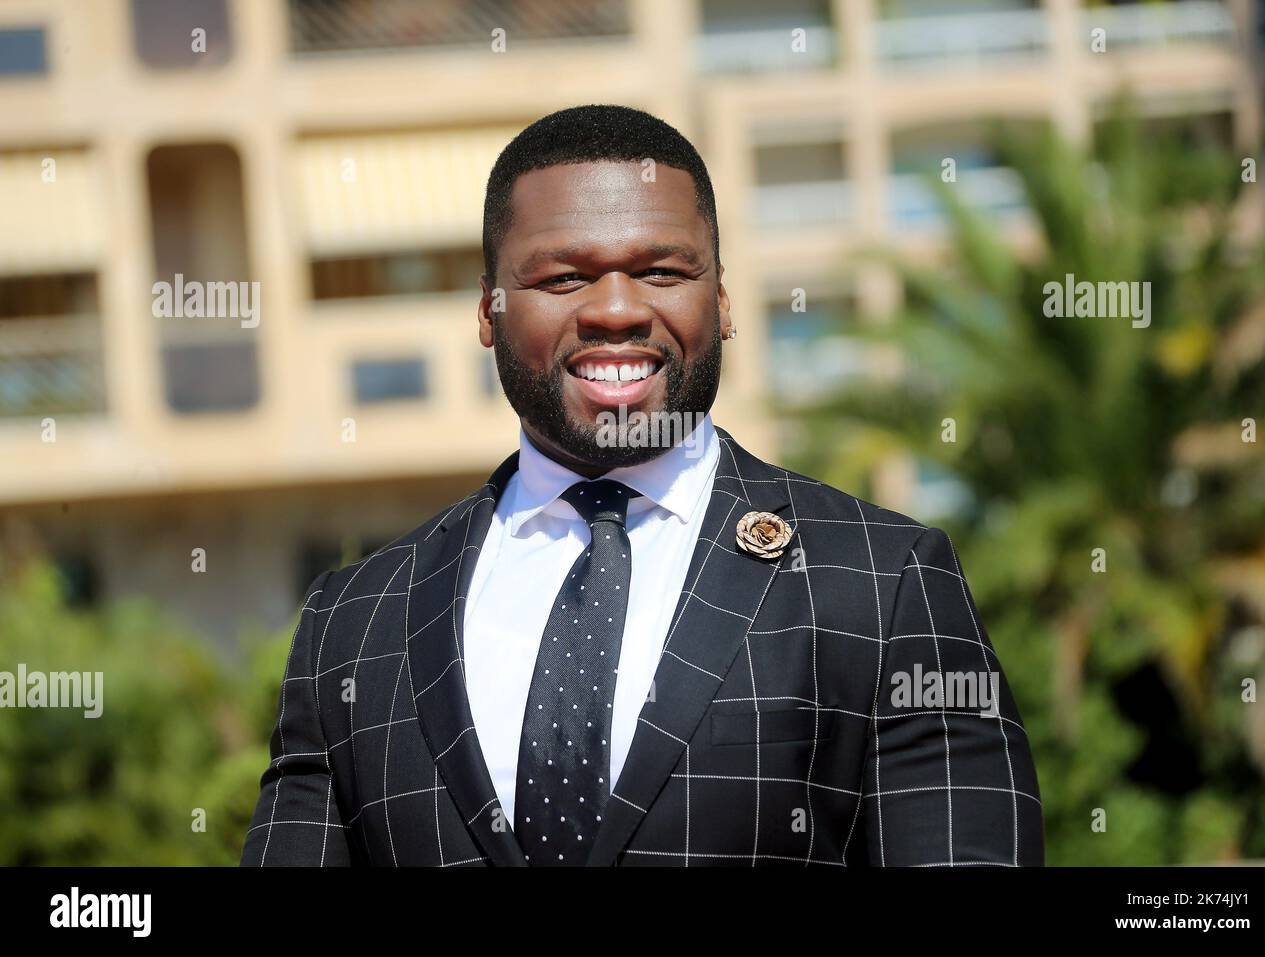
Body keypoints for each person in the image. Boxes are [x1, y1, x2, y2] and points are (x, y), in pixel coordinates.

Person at [241, 104, 1043, 867]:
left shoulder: (879, 582)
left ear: (722, 300)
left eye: (661, 270)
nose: (617, 310)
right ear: (488, 309)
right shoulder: (353, 623)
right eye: (562, 278)